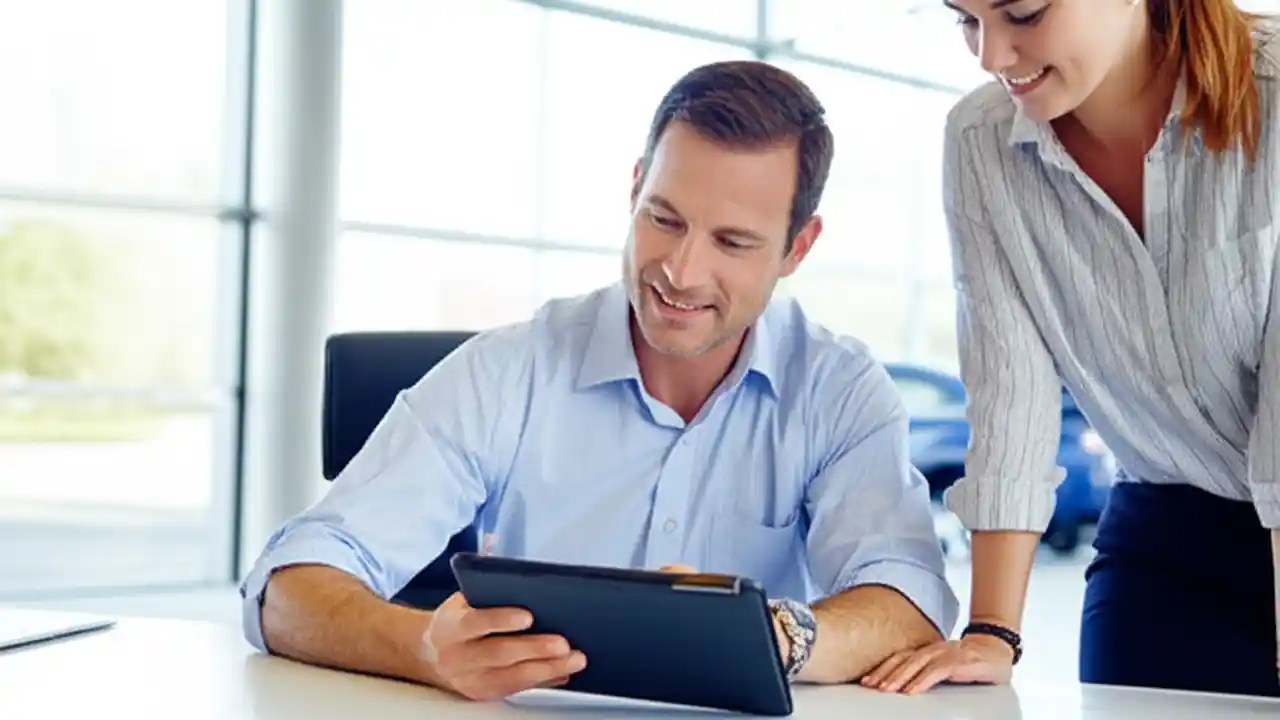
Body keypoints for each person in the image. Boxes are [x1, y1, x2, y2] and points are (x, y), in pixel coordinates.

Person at [239, 60, 958, 702]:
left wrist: (783, 637)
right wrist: (422, 647)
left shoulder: (838, 390)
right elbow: (285, 587)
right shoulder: (509, 370)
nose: (681, 271)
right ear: (636, 186)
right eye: (664, 219)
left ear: (797, 247)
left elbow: (910, 595)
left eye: (732, 242)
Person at [862, 0, 1280, 699]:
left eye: (1022, 13)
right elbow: (1009, 385)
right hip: (1168, 532)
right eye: (964, 19)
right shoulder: (981, 140)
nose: (991, 56)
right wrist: (992, 630)